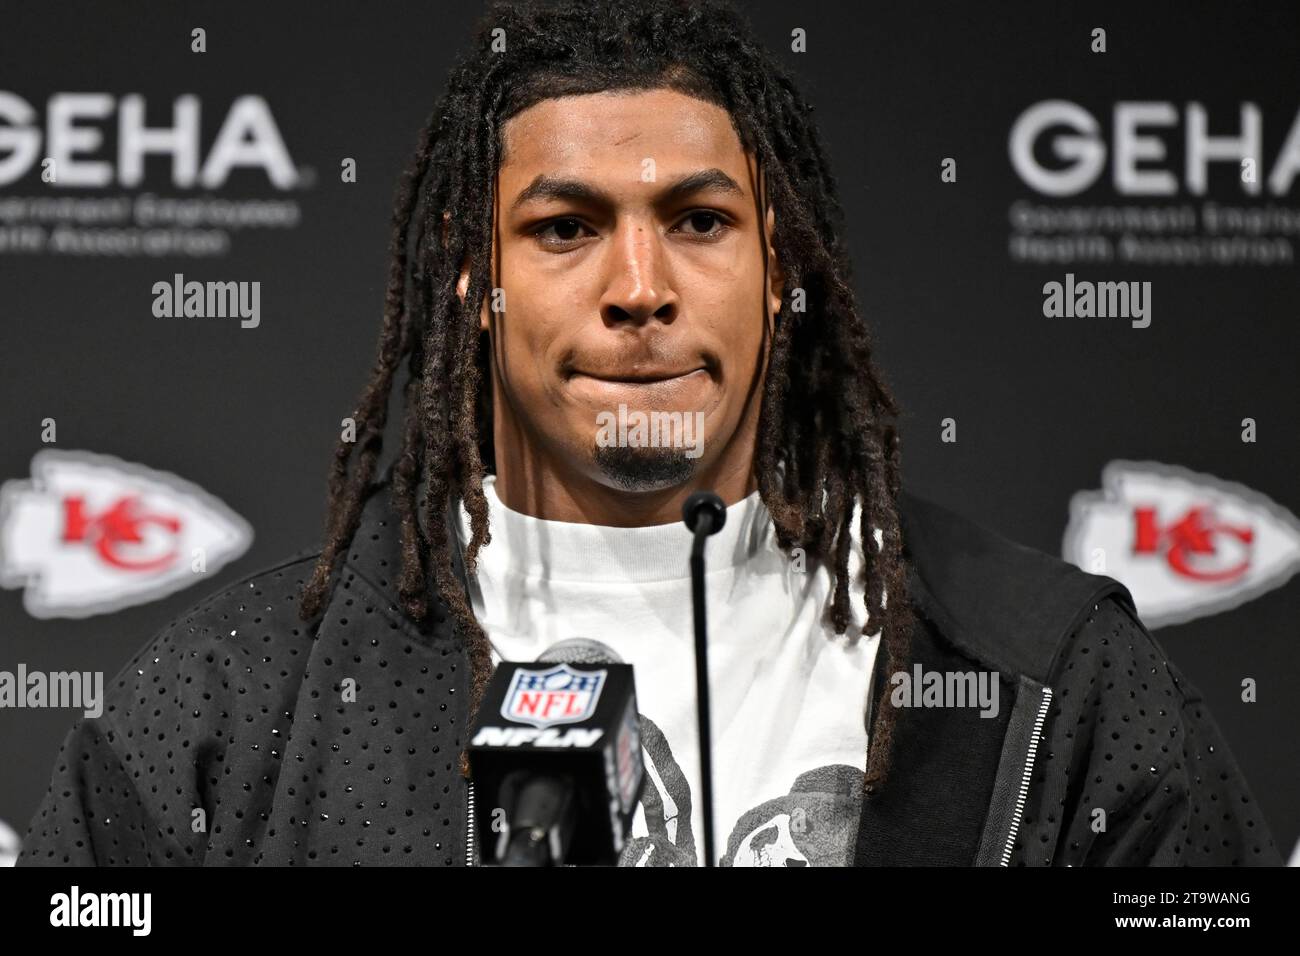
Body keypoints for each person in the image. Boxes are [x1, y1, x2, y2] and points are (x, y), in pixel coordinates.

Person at [19, 0, 1281, 867]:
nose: (639, 285)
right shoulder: (237, 700)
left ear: (778, 262)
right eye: (564, 227)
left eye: (698, 219)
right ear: (474, 279)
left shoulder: (1048, 674)